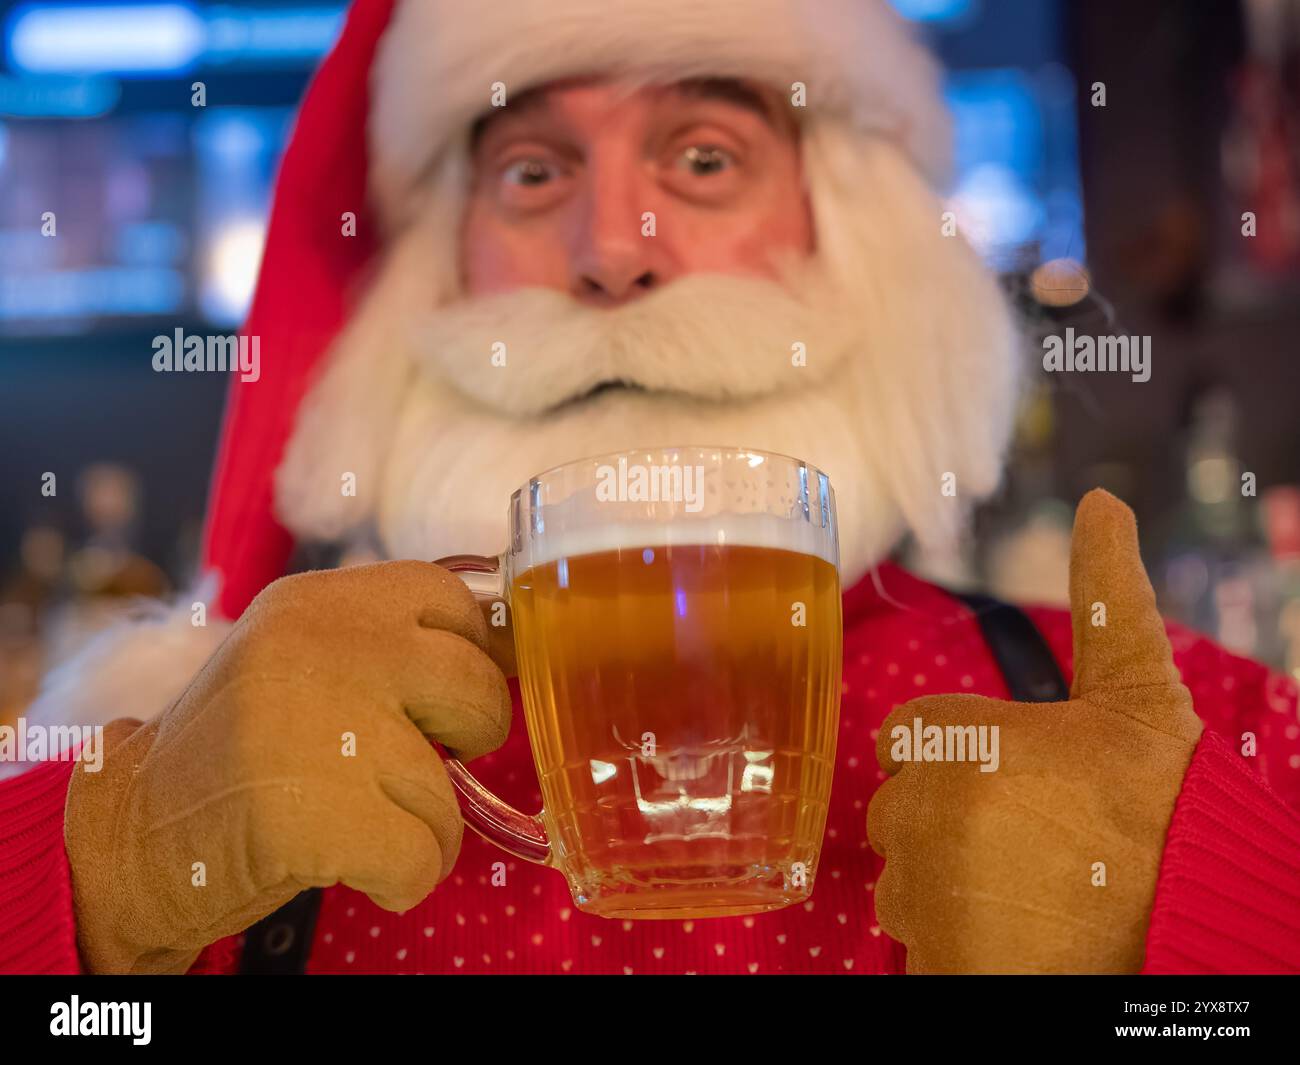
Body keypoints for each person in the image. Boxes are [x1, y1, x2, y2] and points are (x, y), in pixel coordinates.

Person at [2, 0, 1298, 976]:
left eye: (706, 156)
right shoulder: (210, 753)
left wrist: (1201, 917)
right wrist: (105, 870)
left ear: (857, 246)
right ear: (427, 281)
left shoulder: (1177, 722)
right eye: (531, 172)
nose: (612, 251)